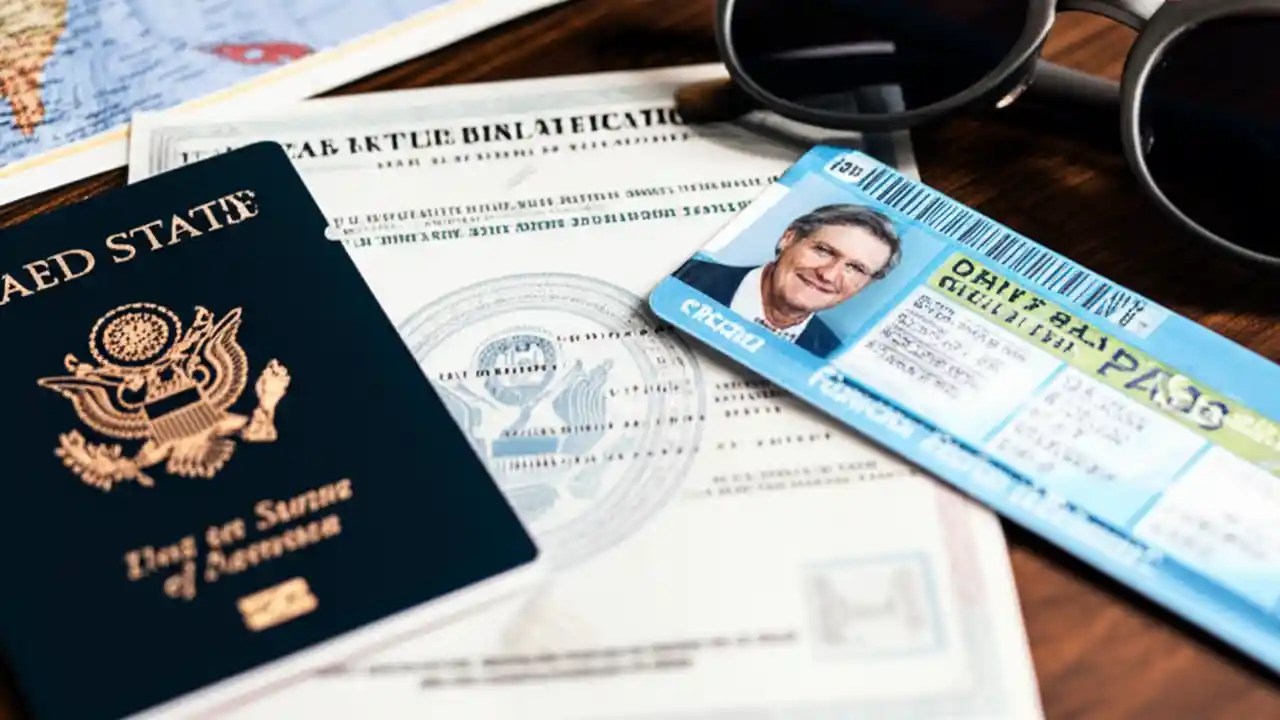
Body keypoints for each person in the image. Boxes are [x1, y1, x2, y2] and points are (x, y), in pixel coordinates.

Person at [677, 203, 901, 357]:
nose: (828, 274)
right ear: (788, 239)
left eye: (854, 268)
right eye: (823, 250)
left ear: (866, 285)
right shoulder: (687, 278)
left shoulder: (829, 355)